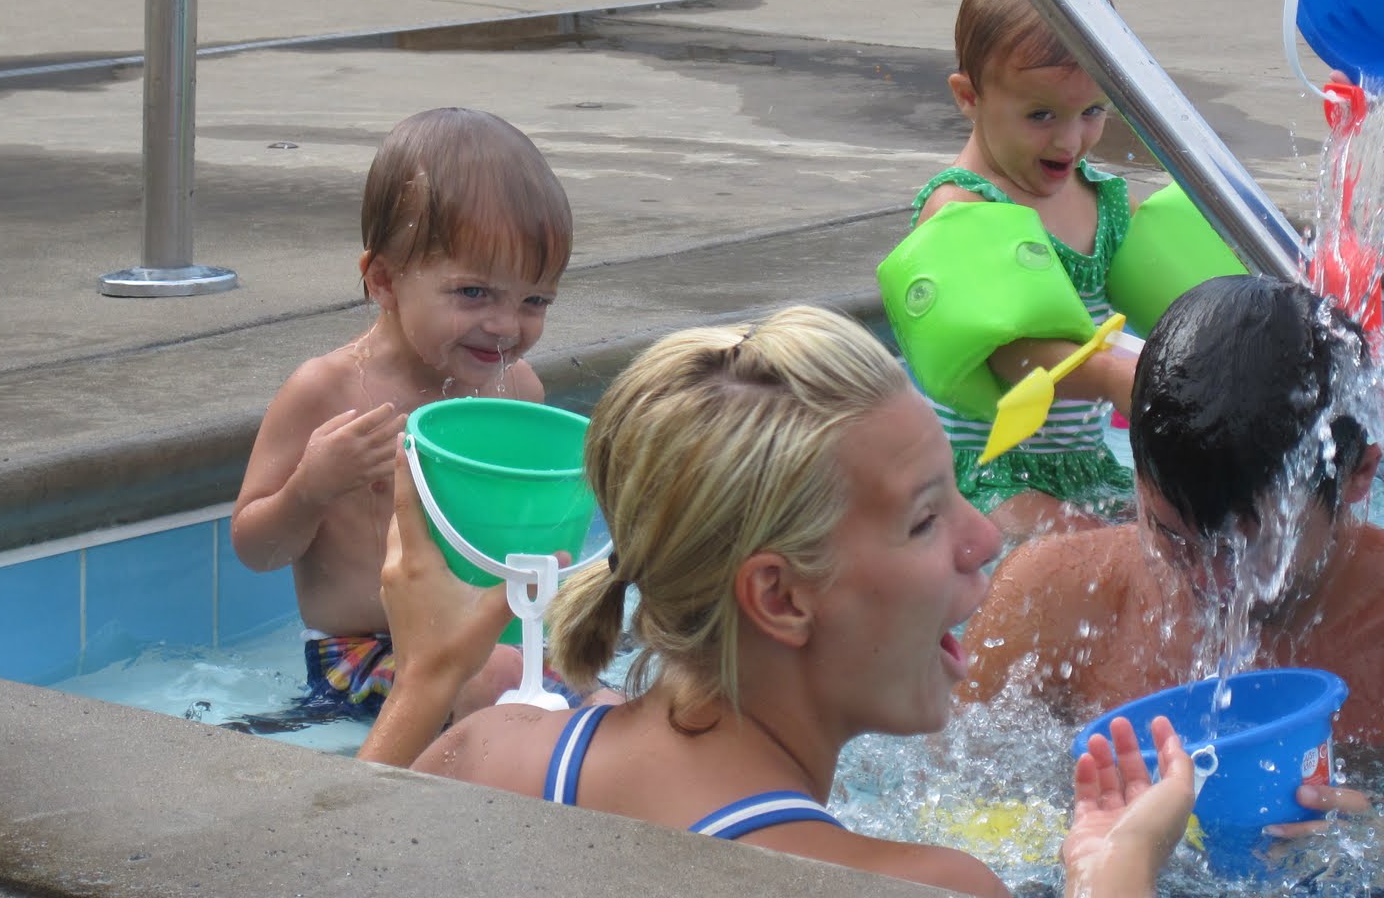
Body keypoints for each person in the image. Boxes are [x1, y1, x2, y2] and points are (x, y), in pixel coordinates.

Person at [358, 305, 1196, 898]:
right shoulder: (926, 888)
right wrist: (1112, 873)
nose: (984, 541)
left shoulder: (496, 756)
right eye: (925, 518)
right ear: (780, 596)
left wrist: (422, 684)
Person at [231, 107, 573, 723]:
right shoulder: (325, 392)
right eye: (474, 293)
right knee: (498, 683)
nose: (505, 325)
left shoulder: (516, 389)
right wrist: (311, 489)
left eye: (535, 299)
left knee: (607, 692)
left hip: (487, 640)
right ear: (384, 282)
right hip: (363, 653)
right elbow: (255, 548)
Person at [963, 274, 1384, 757]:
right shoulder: (1053, 598)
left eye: (1246, 548)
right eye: (1171, 534)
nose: (1209, 578)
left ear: (1360, 475)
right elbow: (941, 800)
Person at [880, 0, 1139, 541]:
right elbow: (1010, 354)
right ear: (969, 97)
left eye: (1093, 111)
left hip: (1088, 465)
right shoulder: (956, 209)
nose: (1070, 140)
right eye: (1041, 115)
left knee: (1190, 542)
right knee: (1073, 554)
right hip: (984, 478)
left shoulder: (1101, 200)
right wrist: (1118, 376)